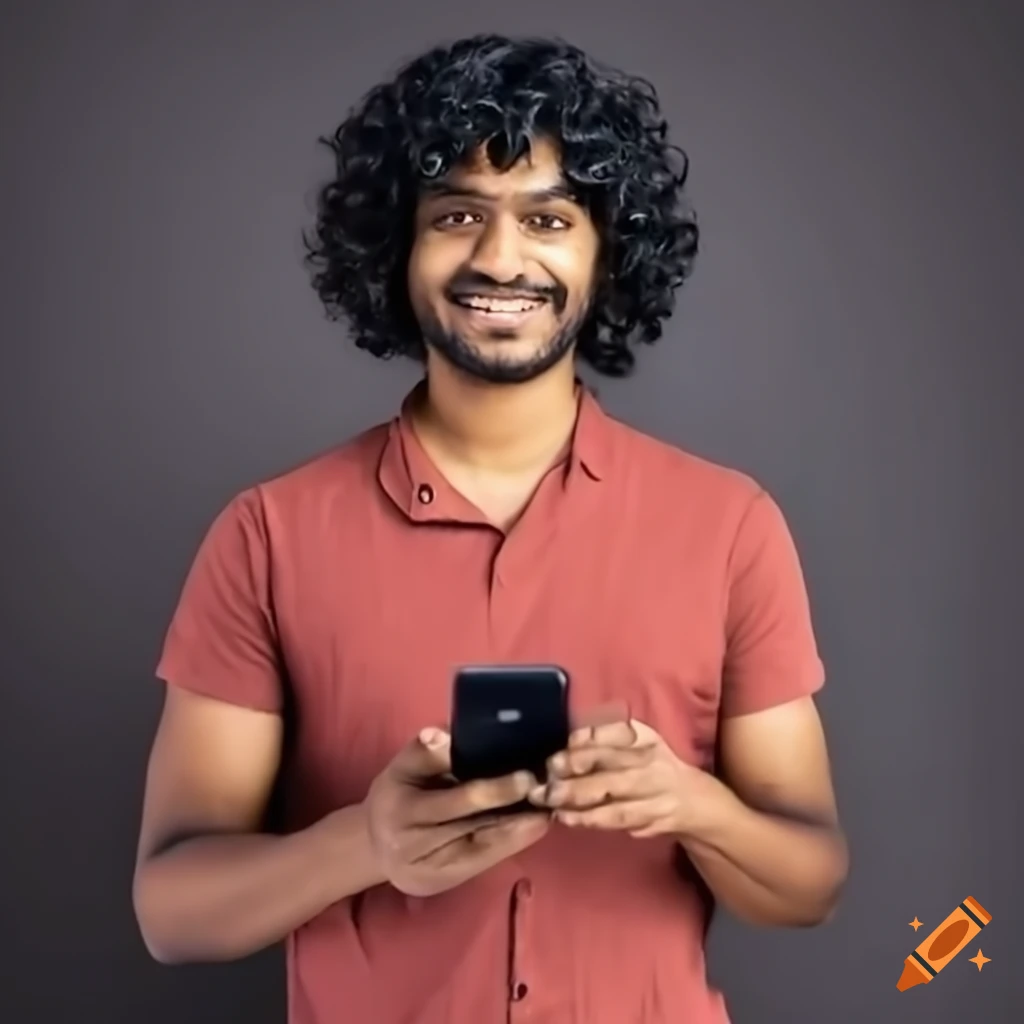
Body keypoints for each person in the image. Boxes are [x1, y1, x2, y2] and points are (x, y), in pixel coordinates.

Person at [132, 33, 848, 1024]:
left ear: (605, 252)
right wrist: (365, 846)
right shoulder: (268, 535)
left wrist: (692, 804)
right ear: (398, 247)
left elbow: (808, 883)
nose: (501, 257)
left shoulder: (730, 527)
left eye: (548, 218)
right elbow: (171, 910)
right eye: (457, 215)